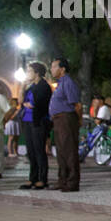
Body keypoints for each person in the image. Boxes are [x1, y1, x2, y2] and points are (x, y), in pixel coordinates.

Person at [48, 57, 82, 192]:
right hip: (58, 120)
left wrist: (78, 121)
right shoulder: (60, 83)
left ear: (62, 69)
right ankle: (62, 180)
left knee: (69, 151)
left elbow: (77, 105)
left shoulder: (68, 82)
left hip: (66, 119)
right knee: (61, 152)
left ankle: (72, 182)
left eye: (54, 67)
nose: (51, 69)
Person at [19, 63, 51, 189]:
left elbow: (38, 104)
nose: (28, 73)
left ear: (37, 73)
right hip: (27, 120)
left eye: (29, 71)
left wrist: (29, 104)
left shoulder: (44, 86)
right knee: (31, 151)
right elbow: (22, 101)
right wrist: (22, 86)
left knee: (39, 150)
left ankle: (42, 179)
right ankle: (33, 178)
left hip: (38, 121)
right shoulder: (31, 87)